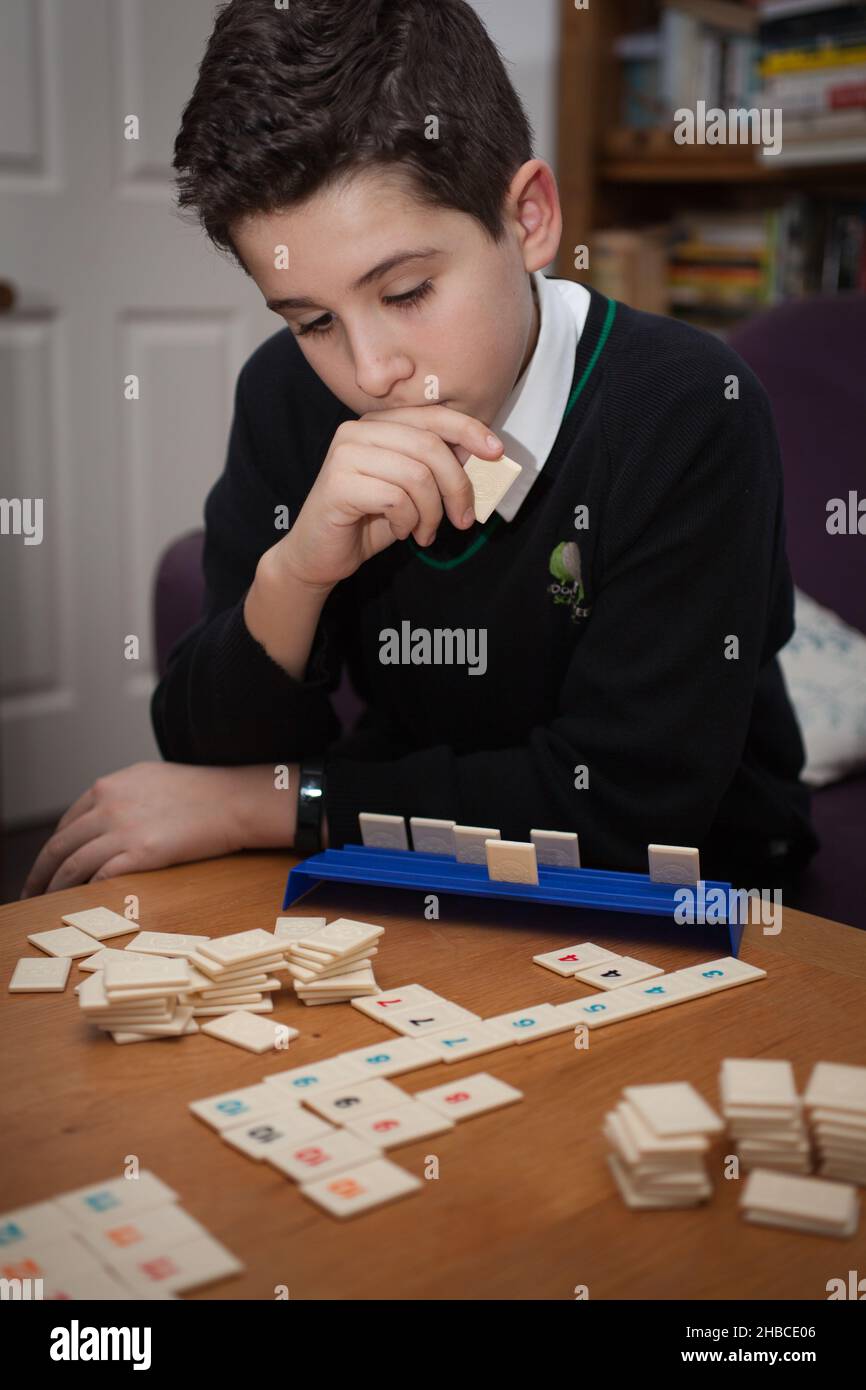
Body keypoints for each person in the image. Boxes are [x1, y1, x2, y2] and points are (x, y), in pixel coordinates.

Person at [22, 0, 818, 899]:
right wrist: (294, 578)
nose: (371, 372)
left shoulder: (685, 407)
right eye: (315, 320)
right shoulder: (287, 394)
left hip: (694, 890)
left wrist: (276, 807)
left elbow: (629, 814)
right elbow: (207, 752)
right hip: (408, 859)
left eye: (405, 291)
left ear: (529, 218)